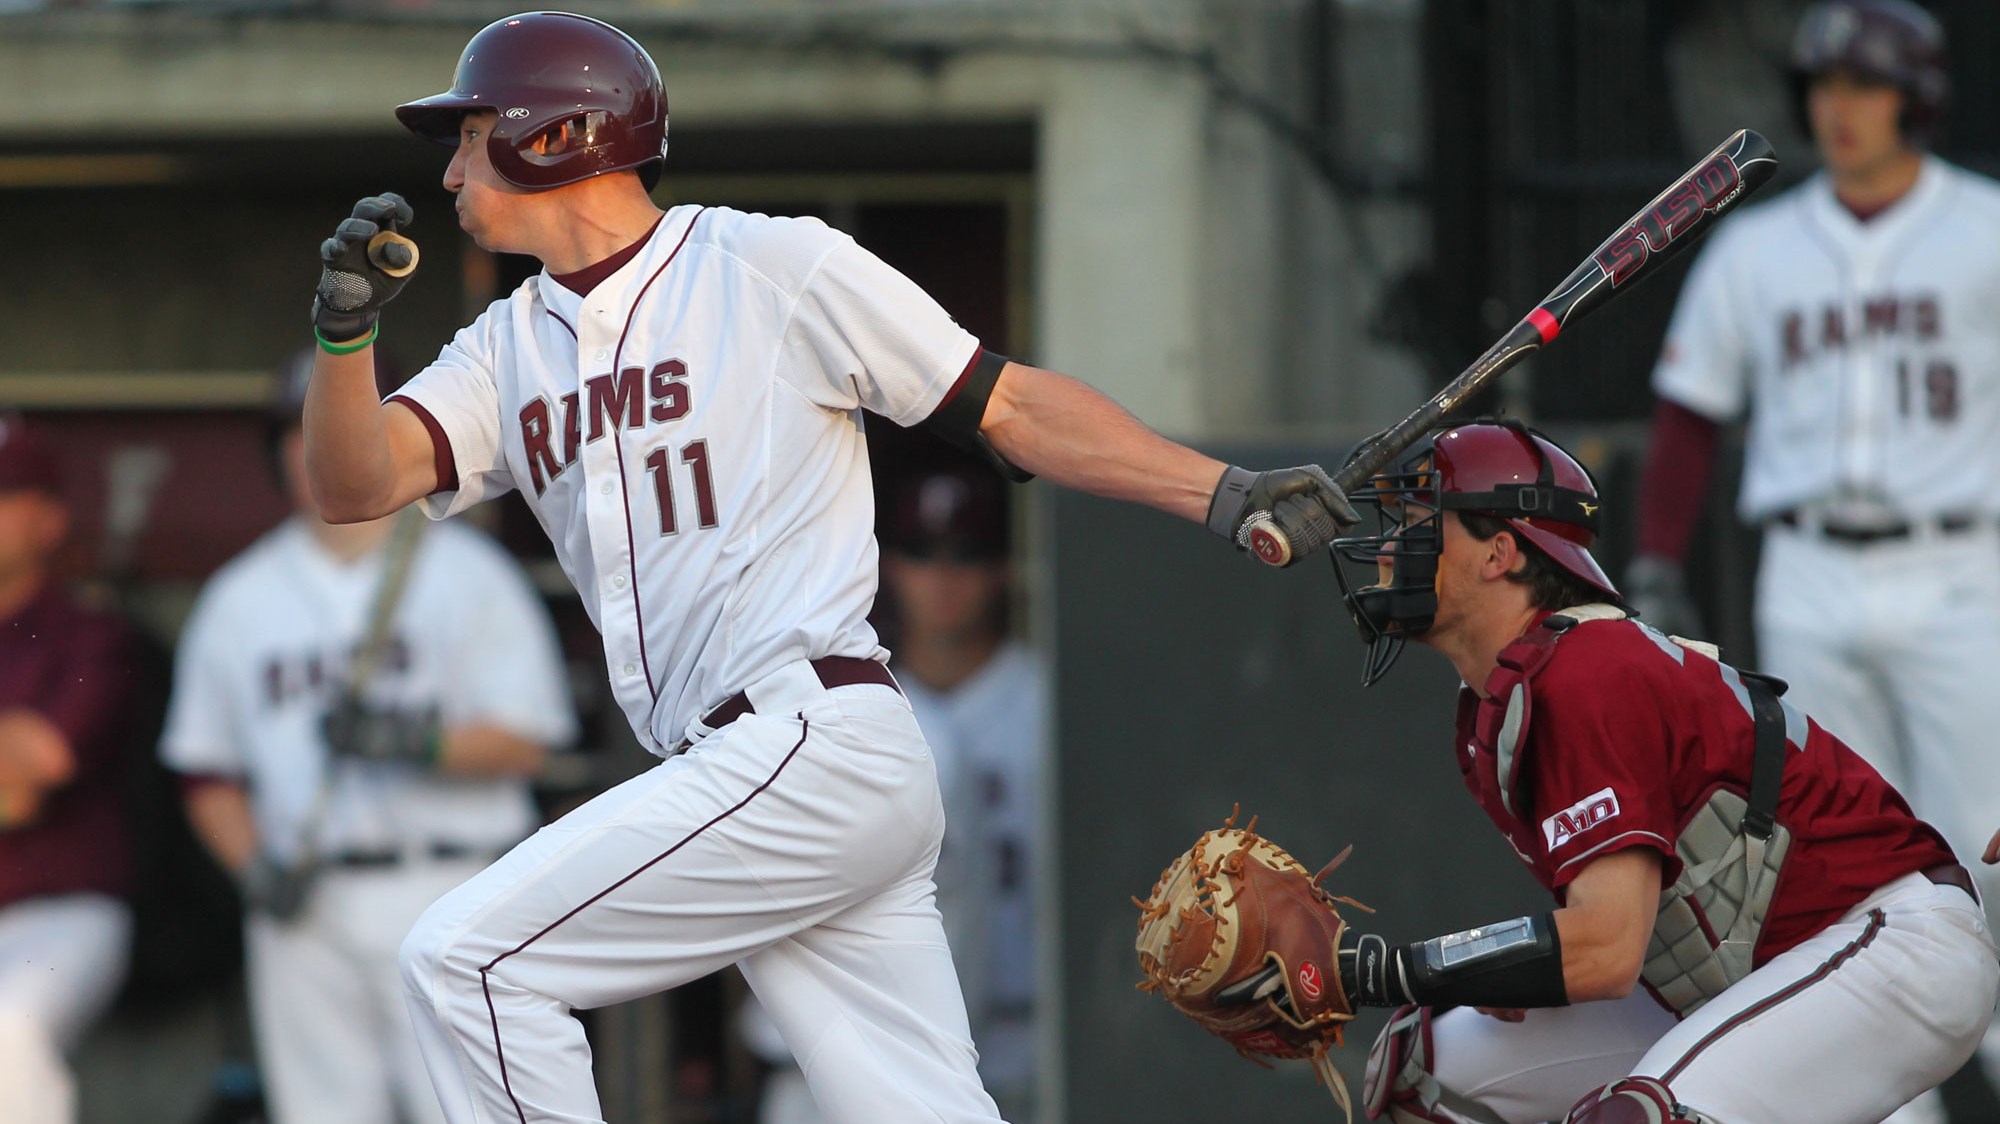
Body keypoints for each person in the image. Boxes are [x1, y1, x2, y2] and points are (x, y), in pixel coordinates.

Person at [296, 11, 1354, 1121]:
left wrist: (1220, 491)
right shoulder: (505, 342)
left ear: (550, 139)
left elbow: (1007, 401)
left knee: (468, 960)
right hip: (762, 772)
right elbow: (353, 484)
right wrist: (343, 337)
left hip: (804, 738)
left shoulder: (767, 263)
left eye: (469, 134)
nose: (452, 166)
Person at [1312, 420, 1997, 1124]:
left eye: (1421, 524)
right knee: (1428, 1069)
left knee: (1639, 1120)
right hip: (1755, 964)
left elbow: (1605, 948)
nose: (1392, 548)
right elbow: (1612, 937)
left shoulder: (1587, 672)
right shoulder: (1507, 694)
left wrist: (1379, 970)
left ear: (1499, 553)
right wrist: (1485, 969)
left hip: (1891, 941)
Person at [1626, 4, 2000, 1111]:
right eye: (1822, 86)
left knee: (1985, 845)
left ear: (1914, 98)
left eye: (1863, 85)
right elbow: (1688, 416)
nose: (1837, 107)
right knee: (1853, 869)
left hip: (1961, 570)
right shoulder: (1757, 245)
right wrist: (1652, 561)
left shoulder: (1983, 227)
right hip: (1808, 574)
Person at [160, 350, 578, 1124]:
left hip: (453, 886)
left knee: (470, 1111)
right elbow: (204, 773)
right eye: (293, 432)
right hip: (305, 902)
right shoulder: (237, 597)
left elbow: (531, 742)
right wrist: (253, 870)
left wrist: (414, 741)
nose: (307, 448)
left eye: (322, 427)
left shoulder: (472, 571)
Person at [881, 466, 1050, 1121]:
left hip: (1024, 1037)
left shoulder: (1046, 702)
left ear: (1004, 570)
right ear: (892, 567)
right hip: (884, 1047)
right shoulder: (858, 712)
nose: (943, 580)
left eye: (967, 557)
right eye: (923, 556)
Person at [0, 412, 138, 1124]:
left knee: (6, 1034)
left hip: (59, 912)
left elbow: (37, 773)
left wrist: (20, 766)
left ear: (49, 519)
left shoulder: (87, 629)